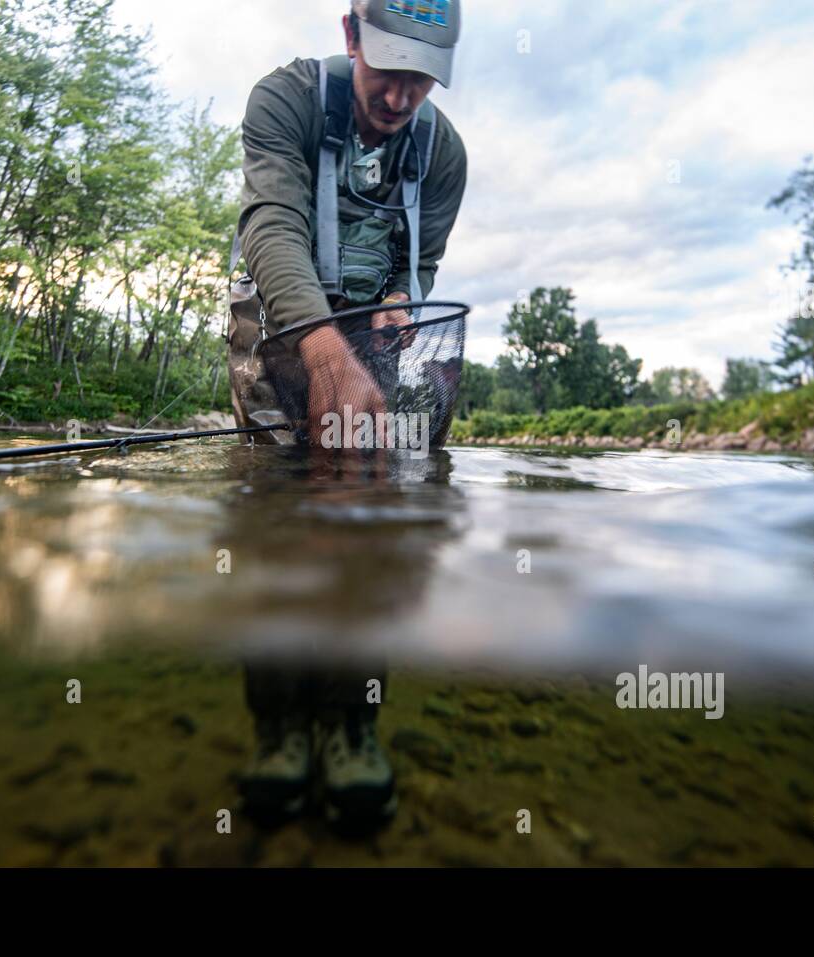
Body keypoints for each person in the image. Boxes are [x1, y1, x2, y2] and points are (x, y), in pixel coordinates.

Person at [225, 0, 468, 829]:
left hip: (376, 349)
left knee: (372, 516)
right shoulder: (285, 101)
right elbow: (272, 222)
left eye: (422, 78)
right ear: (351, 33)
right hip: (282, 338)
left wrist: (400, 300)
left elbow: (420, 262)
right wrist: (325, 351)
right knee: (280, 516)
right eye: (388, 67)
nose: (402, 97)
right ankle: (281, 724)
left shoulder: (444, 156)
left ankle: (353, 722)